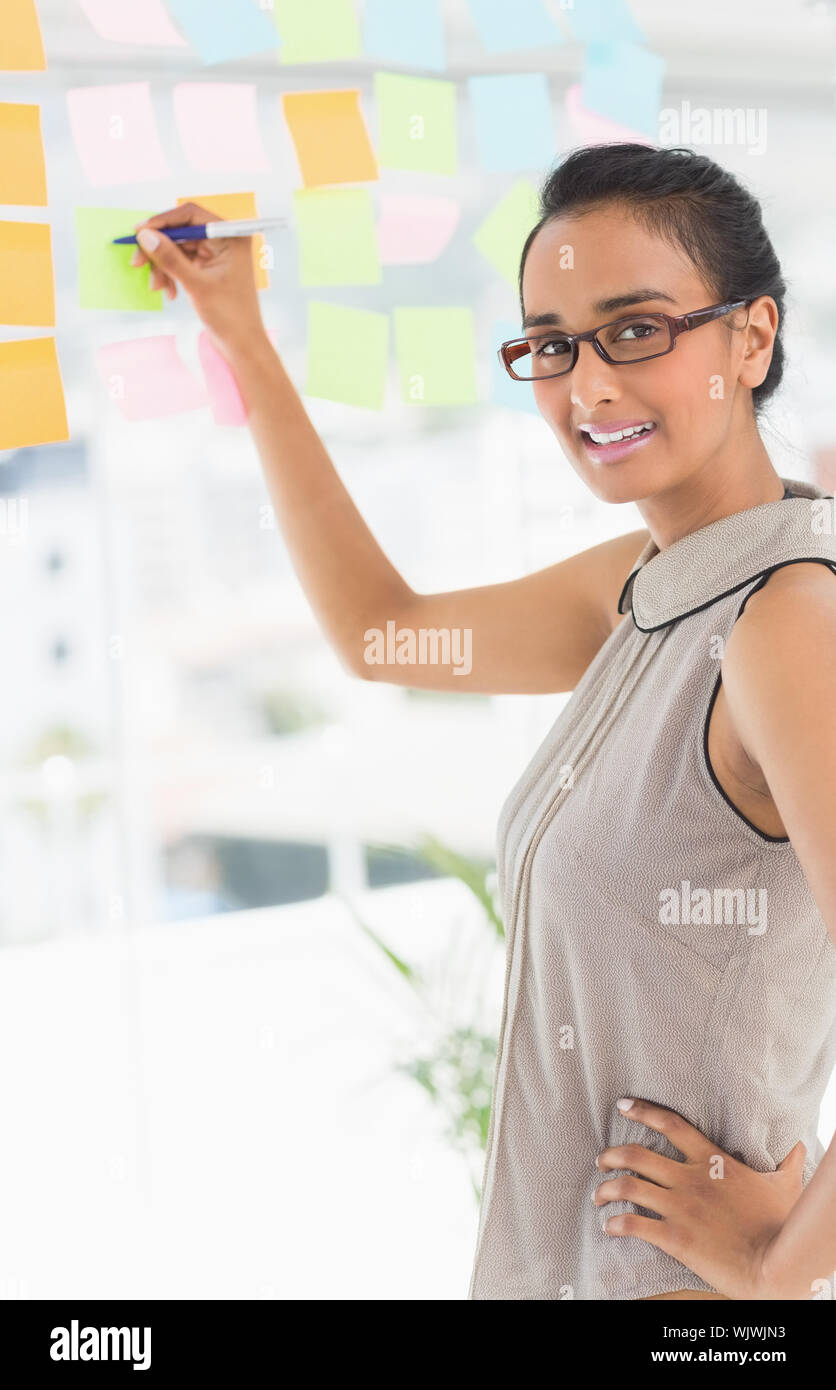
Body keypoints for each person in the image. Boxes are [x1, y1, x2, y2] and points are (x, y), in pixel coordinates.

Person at [131, 142, 836, 1301]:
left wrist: (774, 1265)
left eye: (634, 329)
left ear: (748, 338)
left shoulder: (782, 619)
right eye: (551, 344)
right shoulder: (653, 584)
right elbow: (383, 633)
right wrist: (244, 336)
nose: (587, 386)